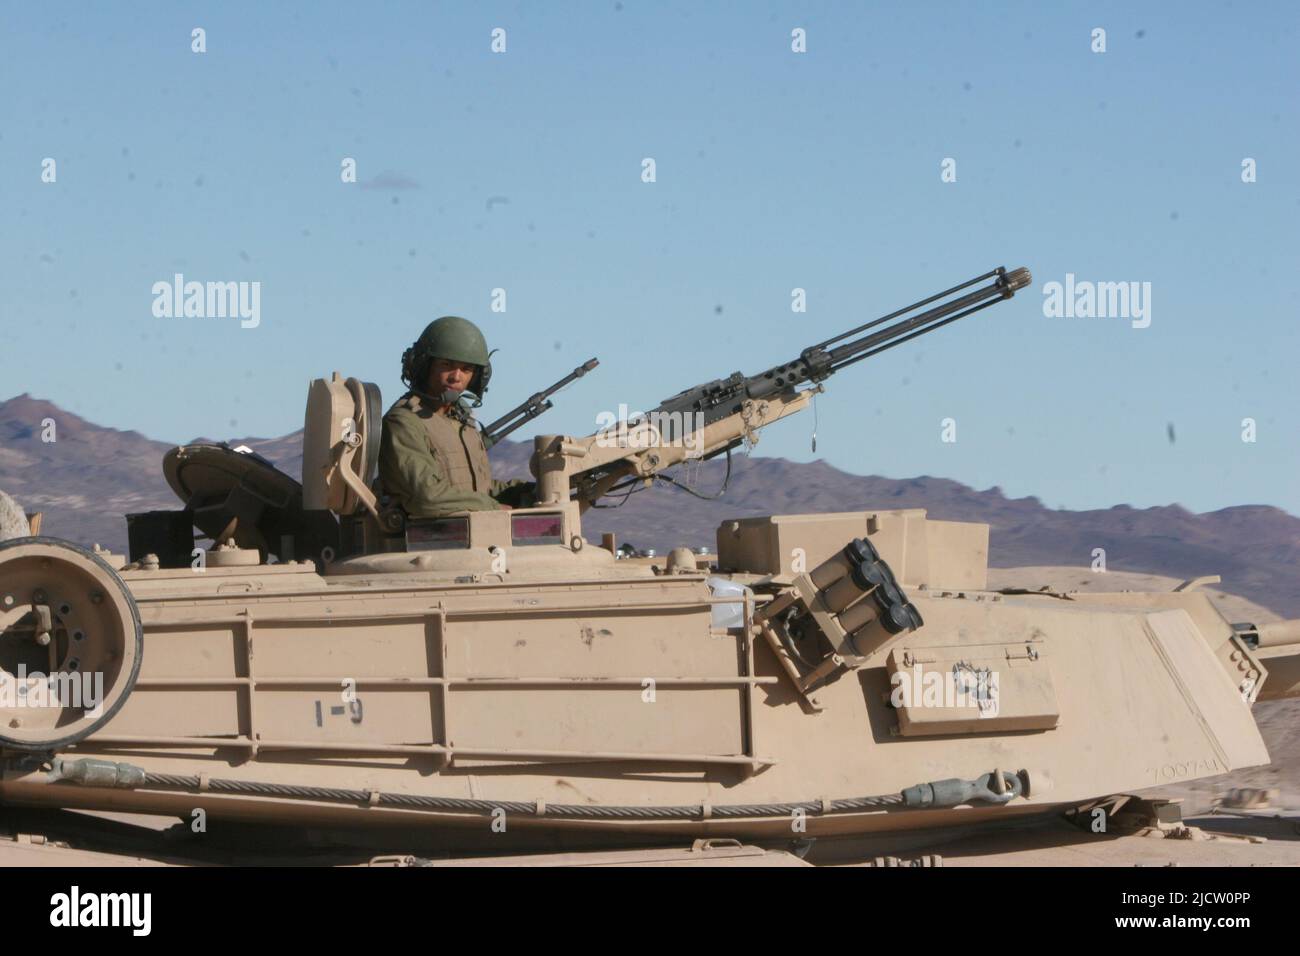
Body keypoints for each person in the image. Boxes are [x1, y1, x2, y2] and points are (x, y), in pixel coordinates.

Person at [379, 316, 534, 517]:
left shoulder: (461, 420)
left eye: (467, 369)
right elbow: (427, 497)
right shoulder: (404, 422)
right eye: (446, 365)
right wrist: (492, 508)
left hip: (473, 539)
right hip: (430, 541)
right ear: (425, 365)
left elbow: (477, 490)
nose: (456, 376)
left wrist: (528, 493)